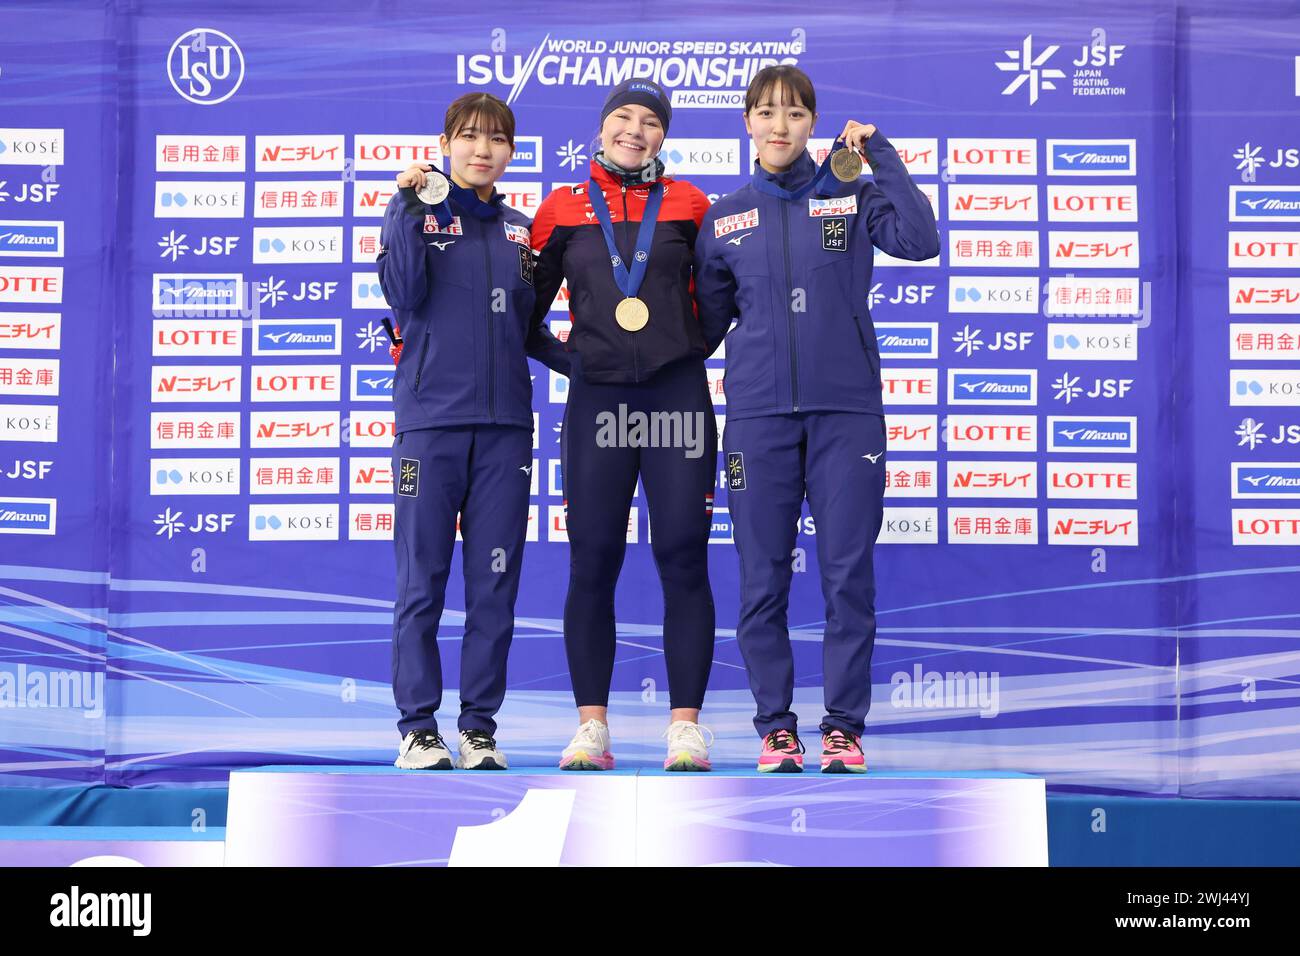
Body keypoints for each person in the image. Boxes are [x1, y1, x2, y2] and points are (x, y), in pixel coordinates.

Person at [693, 65, 941, 773]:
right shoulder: (724, 216)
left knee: (846, 575)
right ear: (747, 123)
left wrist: (880, 155)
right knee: (760, 579)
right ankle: (775, 727)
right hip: (758, 419)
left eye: (795, 114)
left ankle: (842, 728)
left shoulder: (853, 194)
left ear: (812, 124)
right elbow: (703, 329)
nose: (780, 126)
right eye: (767, 113)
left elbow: (920, 241)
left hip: (846, 414)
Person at [529, 79, 721, 771]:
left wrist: (688, 347)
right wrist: (577, 360)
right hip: (599, 405)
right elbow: (525, 309)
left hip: (677, 401)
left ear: (663, 135)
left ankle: (685, 728)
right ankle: (592, 729)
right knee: (594, 558)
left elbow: (719, 296)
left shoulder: (692, 204)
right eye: (622, 118)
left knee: (682, 553)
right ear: (601, 127)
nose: (634, 131)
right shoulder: (561, 208)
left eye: (650, 122)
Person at [377, 92, 569, 771]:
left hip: (506, 434)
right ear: (446, 142)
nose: (482, 149)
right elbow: (402, 294)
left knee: (495, 586)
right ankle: (417, 729)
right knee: (421, 582)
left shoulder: (520, 230)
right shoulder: (415, 213)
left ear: (511, 152)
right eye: (469, 136)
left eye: (496, 139)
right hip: (430, 429)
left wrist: (608, 366)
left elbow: (529, 332)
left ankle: (479, 727)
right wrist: (409, 208)